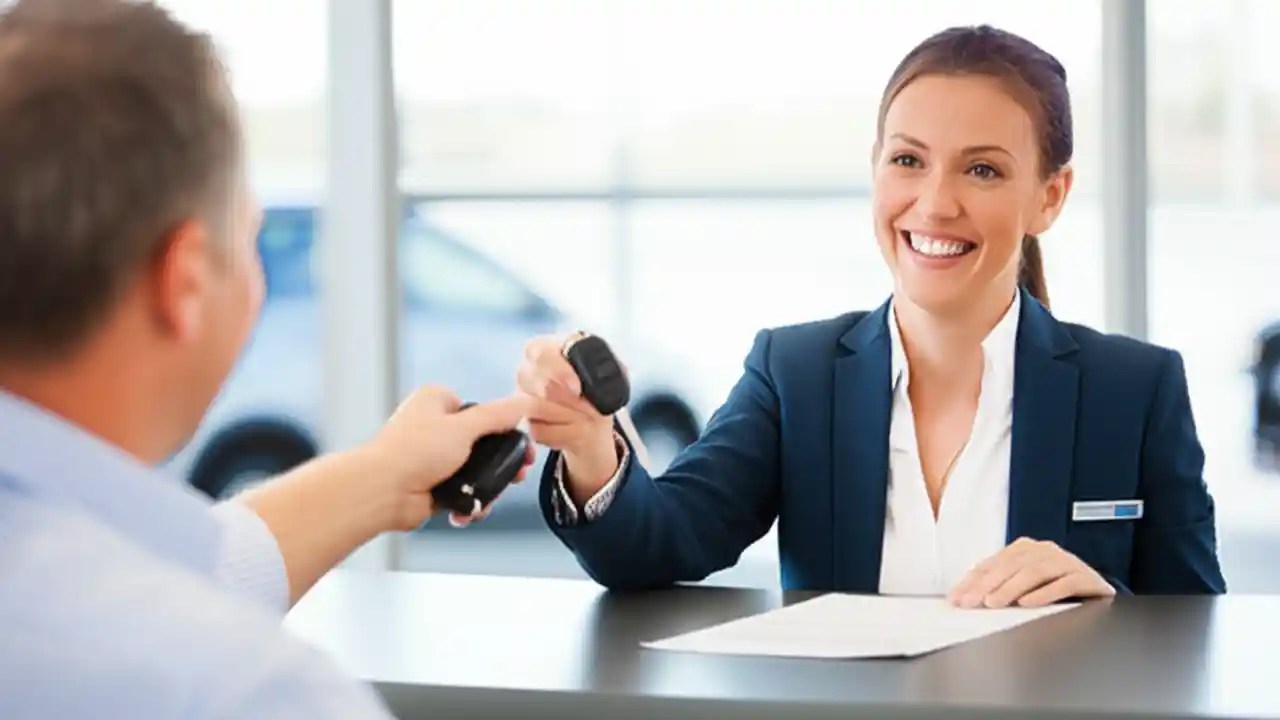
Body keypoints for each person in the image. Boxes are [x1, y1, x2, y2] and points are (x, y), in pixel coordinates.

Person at [518, 25, 1227, 606]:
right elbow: (658, 542)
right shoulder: (794, 374)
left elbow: (1199, 632)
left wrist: (1110, 606)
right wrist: (588, 446)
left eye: (982, 169)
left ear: (1050, 196)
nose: (936, 202)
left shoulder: (1135, 389)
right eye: (909, 160)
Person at [0, 1, 528, 717]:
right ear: (183, 281)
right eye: (246, 236)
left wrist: (384, 473)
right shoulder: (247, 692)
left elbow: (160, 568)